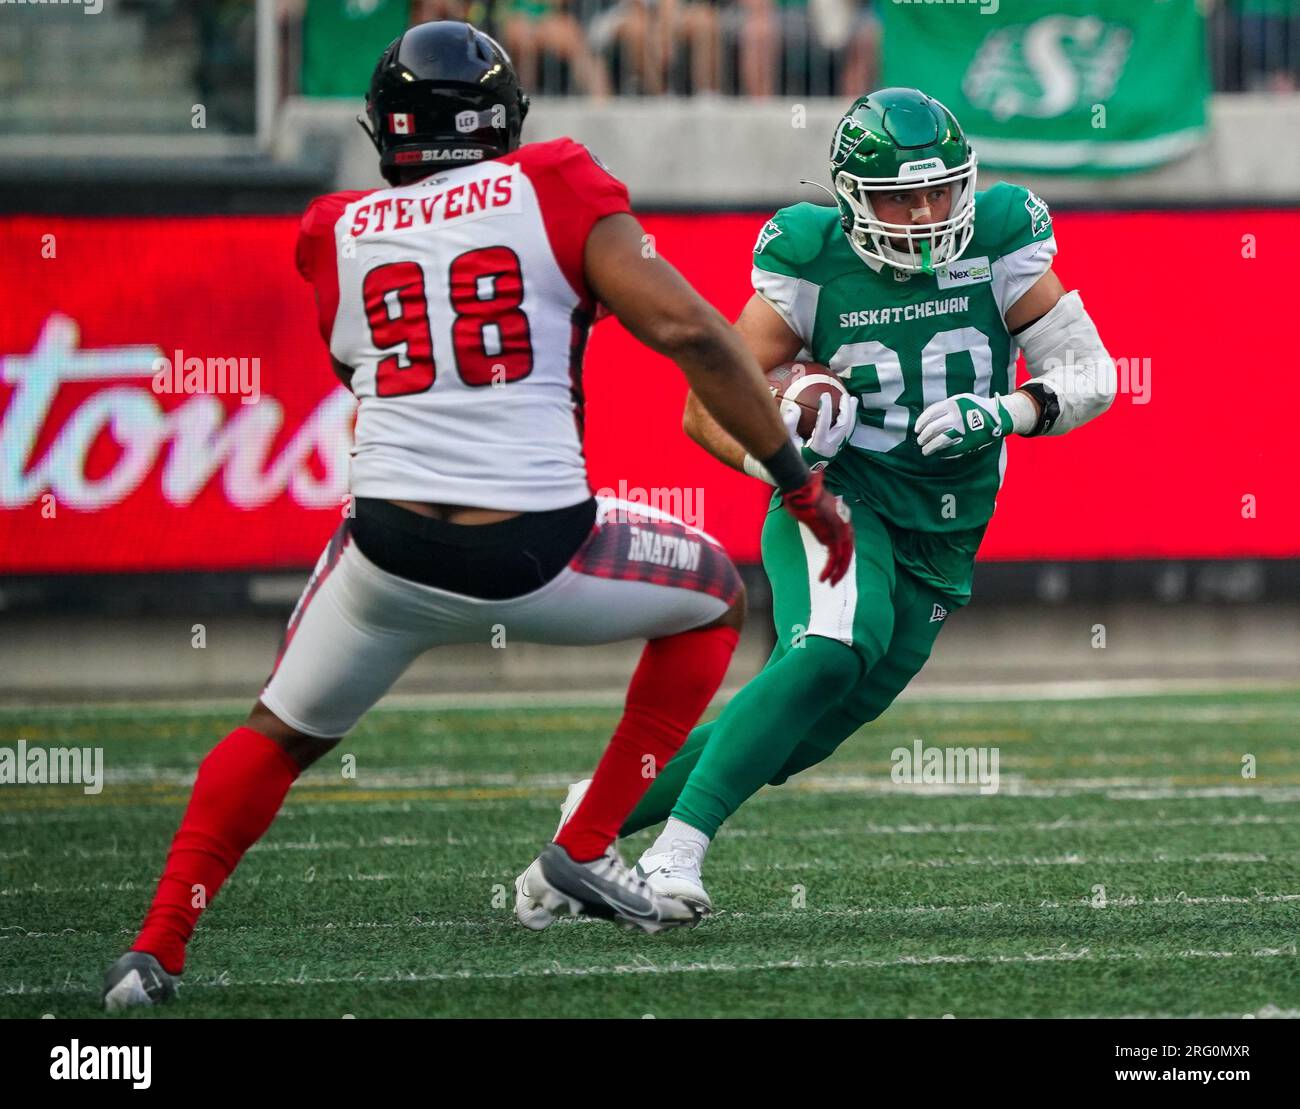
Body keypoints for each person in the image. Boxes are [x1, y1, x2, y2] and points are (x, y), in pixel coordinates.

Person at [101, 20, 852, 1010]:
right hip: (530, 548)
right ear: (503, 119)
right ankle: (585, 846)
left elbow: (357, 367)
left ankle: (151, 951)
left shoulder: (331, 228)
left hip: (387, 550)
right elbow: (689, 331)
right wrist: (798, 483)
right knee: (712, 594)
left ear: (384, 127)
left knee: (278, 731)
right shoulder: (553, 182)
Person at [519, 87, 1117, 922]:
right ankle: (670, 856)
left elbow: (1094, 374)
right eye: (900, 196)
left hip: (948, 528)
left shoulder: (1001, 233)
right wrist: (788, 458)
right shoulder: (810, 256)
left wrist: (1009, 409)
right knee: (832, 646)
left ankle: (591, 821)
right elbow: (703, 408)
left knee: (812, 726)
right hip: (842, 498)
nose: (924, 213)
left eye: (940, 191)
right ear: (851, 196)